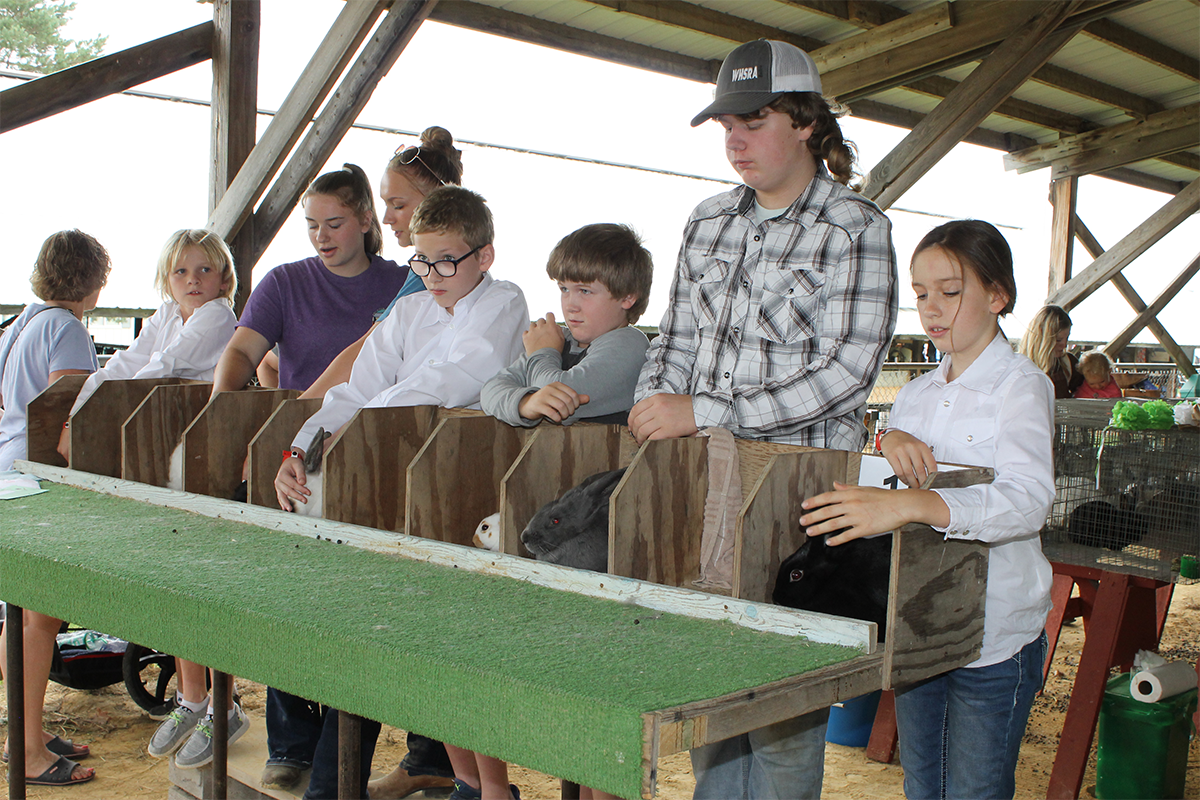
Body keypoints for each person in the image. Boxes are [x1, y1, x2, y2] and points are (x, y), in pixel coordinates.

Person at [628, 39, 896, 800]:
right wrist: (656, 406)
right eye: (725, 125)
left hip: (796, 494)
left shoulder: (854, 228)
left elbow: (847, 374)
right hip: (701, 479)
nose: (735, 139)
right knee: (711, 698)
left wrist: (704, 408)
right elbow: (673, 339)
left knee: (782, 714)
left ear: (807, 123)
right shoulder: (708, 221)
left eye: (754, 119)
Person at [273, 185, 528, 800]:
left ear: (484, 257)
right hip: (386, 491)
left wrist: (355, 430)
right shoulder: (410, 312)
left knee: (451, 652)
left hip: (457, 501)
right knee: (381, 641)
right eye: (420, 260)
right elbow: (354, 390)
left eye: (446, 261)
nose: (431, 275)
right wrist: (300, 447)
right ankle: (450, 782)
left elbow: (449, 381)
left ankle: (481, 787)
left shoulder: (503, 302)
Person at [800, 219, 1053, 800]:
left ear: (997, 295)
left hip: (995, 632)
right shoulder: (915, 392)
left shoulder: (1020, 386)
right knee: (922, 784)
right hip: (920, 622)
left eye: (950, 290)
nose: (931, 309)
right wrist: (890, 441)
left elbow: (1028, 500)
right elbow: (895, 456)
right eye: (920, 295)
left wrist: (912, 504)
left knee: (974, 790)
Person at [0, 230, 110, 787]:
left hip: (6, 465)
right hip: (35, 473)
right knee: (36, 617)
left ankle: (29, 730)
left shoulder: (21, 321)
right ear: (92, 281)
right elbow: (64, 415)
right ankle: (27, 753)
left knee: (21, 614)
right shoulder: (66, 328)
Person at [210, 163, 410, 396]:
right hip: (300, 425)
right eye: (312, 225)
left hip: (382, 423)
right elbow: (242, 351)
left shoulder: (404, 283)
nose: (321, 236)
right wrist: (219, 398)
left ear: (365, 221)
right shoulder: (282, 283)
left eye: (334, 225)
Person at [298, 126, 462, 403]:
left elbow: (366, 352)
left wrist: (303, 407)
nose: (385, 219)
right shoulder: (424, 273)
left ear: (436, 201)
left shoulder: (429, 276)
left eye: (397, 205)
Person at [58, 229, 238, 461]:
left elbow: (165, 366)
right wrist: (74, 419)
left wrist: (103, 415)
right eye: (180, 271)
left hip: (195, 431)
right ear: (167, 281)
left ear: (224, 279)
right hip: (159, 422)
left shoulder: (218, 315)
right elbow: (127, 362)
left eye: (205, 269)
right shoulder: (167, 312)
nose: (193, 279)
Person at [481, 222, 653, 428]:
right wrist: (526, 403)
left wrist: (543, 352)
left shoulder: (629, 345)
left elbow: (563, 396)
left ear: (627, 297)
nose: (570, 305)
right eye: (564, 289)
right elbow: (491, 390)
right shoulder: (558, 339)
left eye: (585, 291)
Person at [1019, 305, 1081, 399]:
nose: (1064, 345)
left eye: (1067, 338)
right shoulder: (1019, 367)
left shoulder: (1069, 363)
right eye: (1058, 340)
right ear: (1042, 339)